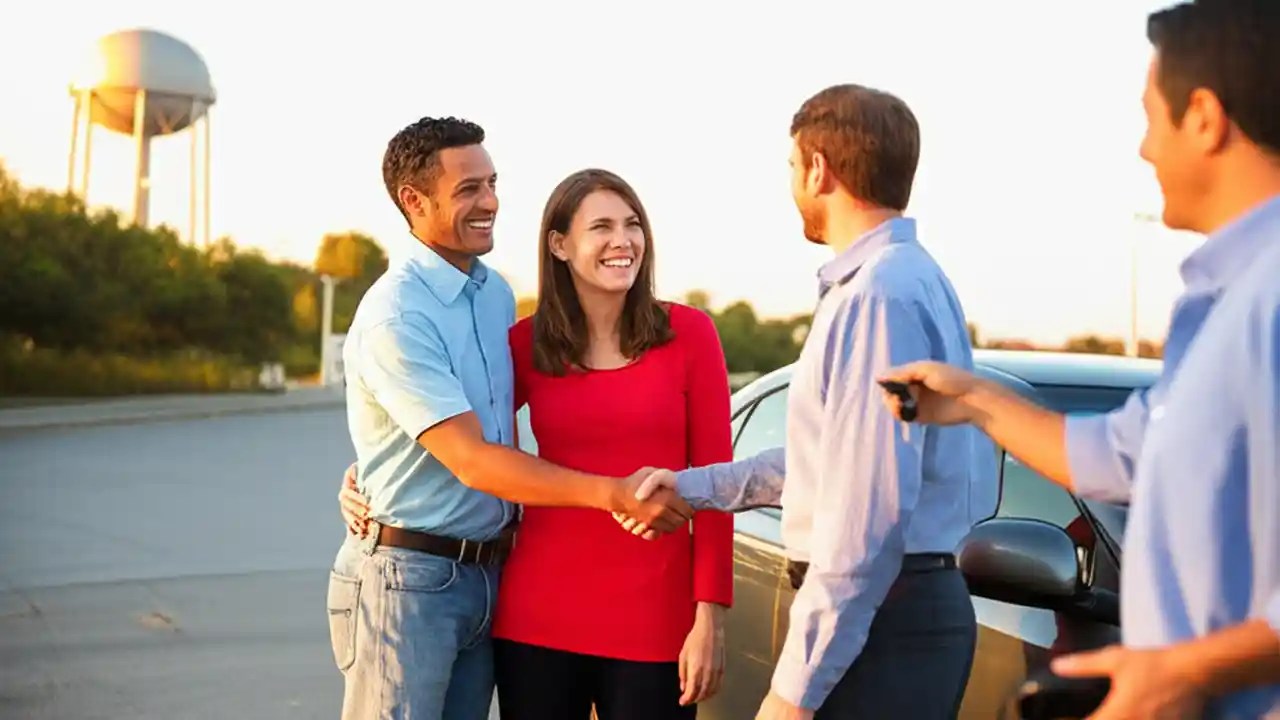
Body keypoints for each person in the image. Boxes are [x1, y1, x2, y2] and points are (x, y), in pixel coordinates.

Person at [876, 1, 1280, 717]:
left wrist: (1186, 673)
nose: (1144, 149)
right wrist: (972, 399)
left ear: (1206, 118)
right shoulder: (1221, 298)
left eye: (1151, 117)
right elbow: (1122, 456)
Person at [627, 84, 997, 719]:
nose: (793, 182)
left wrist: (794, 692)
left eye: (793, 167)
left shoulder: (879, 297)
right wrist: (691, 488)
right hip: (889, 616)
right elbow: (825, 469)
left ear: (819, 169)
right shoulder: (899, 282)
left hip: (882, 625)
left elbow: (866, 518)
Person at [327, 117, 693, 720]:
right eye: (468, 188)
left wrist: (369, 468)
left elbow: (476, 422)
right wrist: (613, 494)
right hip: (408, 583)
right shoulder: (397, 315)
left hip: (487, 577)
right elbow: (471, 457)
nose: (491, 202)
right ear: (413, 201)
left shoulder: (492, 293)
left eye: (492, 182)